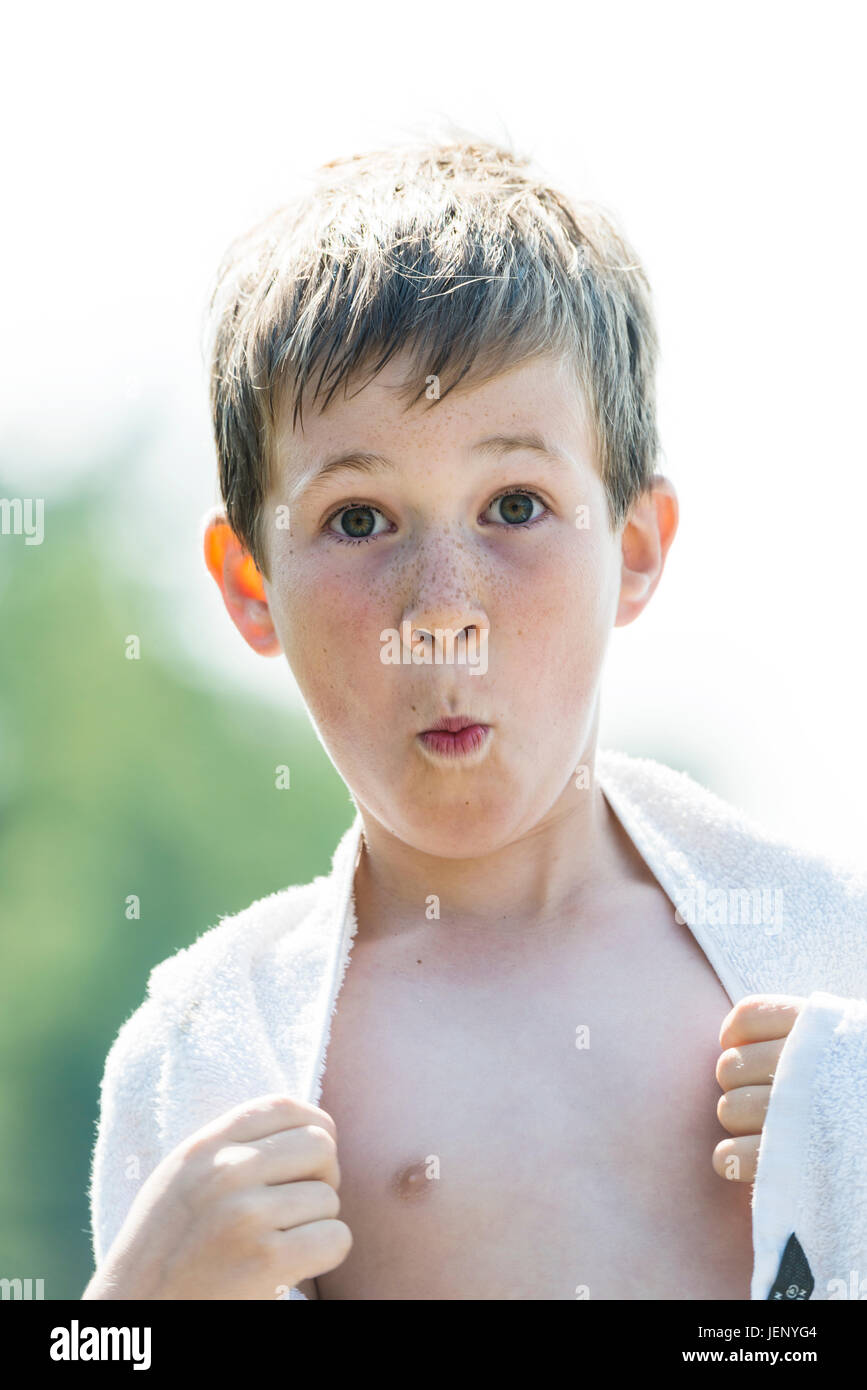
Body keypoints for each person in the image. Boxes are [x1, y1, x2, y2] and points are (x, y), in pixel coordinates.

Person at [84, 129, 867, 1301]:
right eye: (359, 520)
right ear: (251, 585)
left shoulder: (829, 973)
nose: (442, 613)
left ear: (636, 548)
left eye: (514, 503)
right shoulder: (211, 1054)